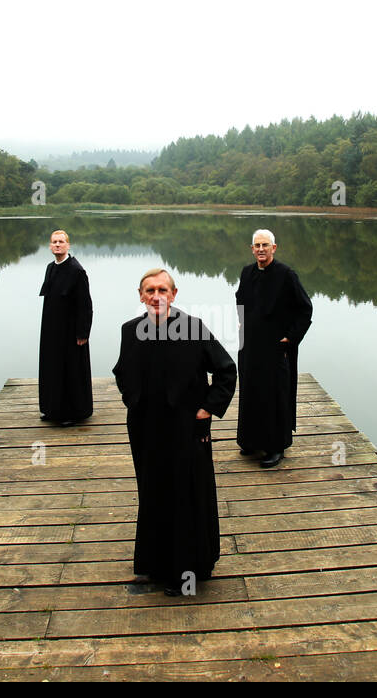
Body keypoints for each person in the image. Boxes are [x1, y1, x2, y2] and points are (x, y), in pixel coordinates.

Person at [113, 269, 237, 596]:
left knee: (185, 495)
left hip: (187, 429)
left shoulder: (193, 329)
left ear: (174, 294)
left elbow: (226, 370)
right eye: (150, 291)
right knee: (153, 493)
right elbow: (121, 371)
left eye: (163, 290)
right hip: (146, 430)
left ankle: (187, 571)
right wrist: (132, 400)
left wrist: (206, 409)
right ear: (141, 295)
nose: (157, 296)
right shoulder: (130, 331)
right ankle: (156, 564)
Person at [235, 228, 313, 468]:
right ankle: (251, 441)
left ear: (274, 248)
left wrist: (290, 339)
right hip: (250, 345)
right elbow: (240, 298)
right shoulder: (247, 272)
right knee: (251, 390)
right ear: (252, 249)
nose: (260, 250)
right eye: (257, 246)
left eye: (265, 245)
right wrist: (241, 323)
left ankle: (275, 446)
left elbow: (305, 309)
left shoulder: (286, 274)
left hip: (277, 347)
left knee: (274, 394)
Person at [38, 229, 93, 426]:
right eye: (54, 242)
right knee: (52, 368)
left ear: (68, 245)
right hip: (52, 330)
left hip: (71, 332)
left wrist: (83, 333)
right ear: (50, 246)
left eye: (61, 241)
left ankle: (74, 412)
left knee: (71, 371)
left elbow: (85, 305)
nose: (58, 245)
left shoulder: (77, 271)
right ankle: (51, 409)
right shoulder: (50, 268)